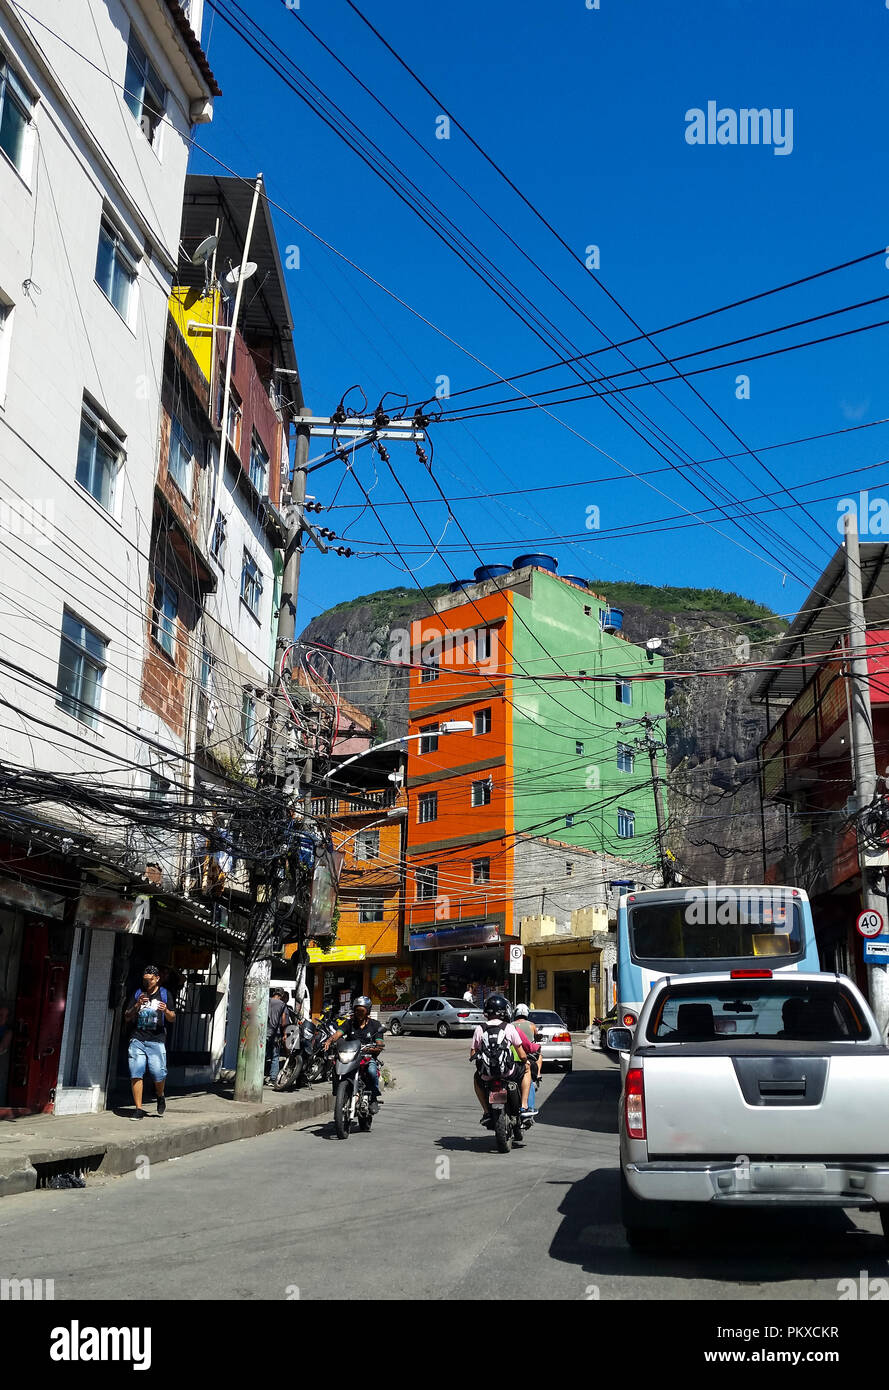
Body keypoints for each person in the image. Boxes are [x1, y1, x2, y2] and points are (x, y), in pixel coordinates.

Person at [469, 993, 531, 1125]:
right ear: (504, 1011)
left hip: (487, 1074)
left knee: (476, 1078)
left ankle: (486, 1112)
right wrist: (526, 1061)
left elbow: (472, 1054)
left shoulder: (480, 1029)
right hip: (507, 1072)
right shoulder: (509, 1027)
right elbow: (522, 1054)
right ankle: (524, 1106)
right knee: (527, 1069)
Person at [124, 965, 175, 1118]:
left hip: (156, 1040)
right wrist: (137, 1004)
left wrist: (165, 1010)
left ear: (157, 979)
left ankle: (160, 1096)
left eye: (150, 980)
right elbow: (127, 1016)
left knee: (158, 1073)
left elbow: (172, 1018)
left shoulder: (165, 995)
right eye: (145, 980)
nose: (147, 983)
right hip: (137, 1038)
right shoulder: (138, 994)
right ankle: (138, 1109)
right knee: (136, 1072)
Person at [324, 996, 385, 1110]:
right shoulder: (349, 1023)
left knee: (372, 1072)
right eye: (357, 1010)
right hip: (351, 1056)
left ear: (367, 1011)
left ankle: (374, 1097)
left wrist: (376, 1047)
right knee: (335, 1067)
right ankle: (339, 1093)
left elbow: (379, 1042)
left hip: (367, 1056)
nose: (359, 1013)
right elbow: (338, 1033)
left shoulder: (375, 1025)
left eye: (362, 1011)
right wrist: (329, 1041)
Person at [513, 1003, 543, 1093]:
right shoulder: (532, 1025)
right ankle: (537, 1075)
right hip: (528, 1053)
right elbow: (536, 1036)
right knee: (540, 1055)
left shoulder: (510, 1025)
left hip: (515, 1052)